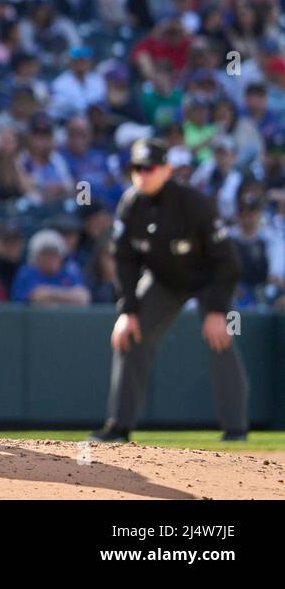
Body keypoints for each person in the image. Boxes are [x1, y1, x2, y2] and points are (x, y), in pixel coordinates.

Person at [91, 139, 249, 443]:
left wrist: (217, 310)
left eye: (149, 167)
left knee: (221, 339)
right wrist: (128, 309)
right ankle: (119, 426)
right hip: (163, 280)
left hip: (208, 280)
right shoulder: (130, 203)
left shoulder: (194, 203)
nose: (142, 174)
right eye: (136, 168)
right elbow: (124, 260)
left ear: (166, 169)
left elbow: (227, 261)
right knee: (129, 336)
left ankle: (236, 430)